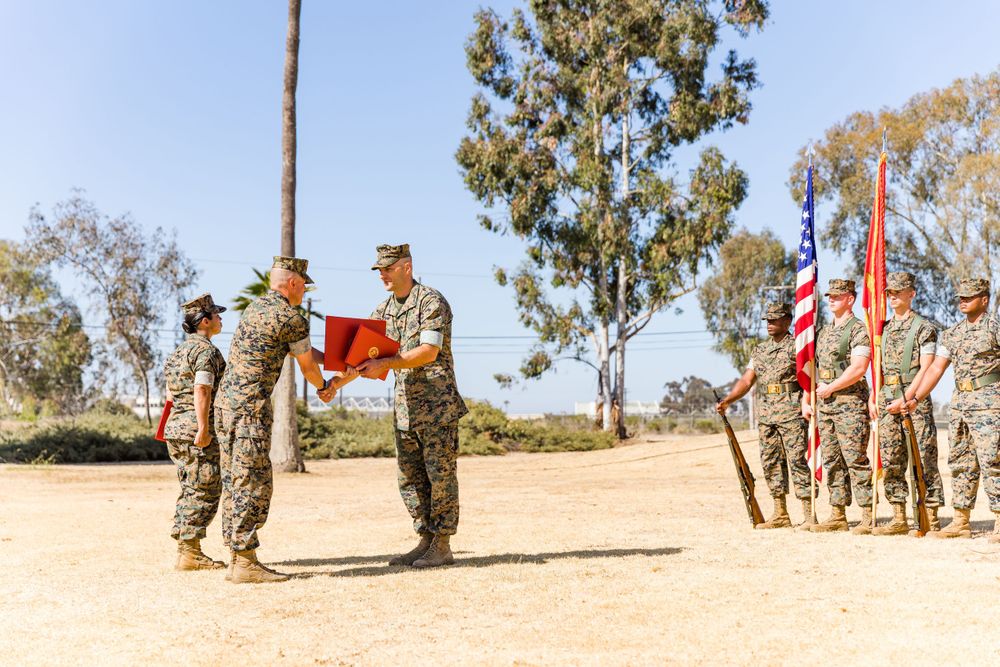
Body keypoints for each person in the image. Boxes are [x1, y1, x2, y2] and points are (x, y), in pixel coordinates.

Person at [215, 256, 354, 583]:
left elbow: (302, 351)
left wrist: (339, 359)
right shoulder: (290, 317)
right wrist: (325, 386)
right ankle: (246, 562)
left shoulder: (255, 308)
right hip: (250, 410)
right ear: (292, 282)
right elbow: (307, 367)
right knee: (254, 481)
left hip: (226, 407)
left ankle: (237, 556)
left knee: (233, 479)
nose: (305, 291)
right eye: (304, 285)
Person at [356, 244, 468, 568]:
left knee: (440, 475)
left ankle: (443, 544)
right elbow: (364, 355)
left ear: (407, 266)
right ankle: (425, 540)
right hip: (405, 408)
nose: (382, 275)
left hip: (437, 405)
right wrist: (337, 382)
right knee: (410, 477)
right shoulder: (382, 310)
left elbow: (429, 351)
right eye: (379, 270)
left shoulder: (431, 301)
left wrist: (386, 364)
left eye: (388, 268)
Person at [909, 277, 1000, 541]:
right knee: (961, 462)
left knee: (993, 461)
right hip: (960, 404)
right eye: (960, 297)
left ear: (984, 299)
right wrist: (915, 398)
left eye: (969, 297)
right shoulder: (953, 333)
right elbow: (936, 368)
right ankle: (961, 521)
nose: (962, 301)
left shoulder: (994, 327)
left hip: (990, 404)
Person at [716, 302, 812, 528]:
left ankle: (809, 514)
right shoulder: (759, 350)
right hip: (767, 414)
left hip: (791, 412)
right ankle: (780, 514)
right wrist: (728, 400)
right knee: (770, 462)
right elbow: (747, 380)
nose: (770, 324)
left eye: (775, 319)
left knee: (797, 460)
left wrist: (808, 403)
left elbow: (810, 378)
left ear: (788, 321)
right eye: (768, 320)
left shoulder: (797, 347)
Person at [867, 272, 944, 535]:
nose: (892, 296)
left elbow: (926, 367)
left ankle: (930, 515)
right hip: (887, 397)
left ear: (911, 294)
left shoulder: (924, 327)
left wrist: (907, 397)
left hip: (913, 400)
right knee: (891, 458)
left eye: (898, 292)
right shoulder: (883, 329)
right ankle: (898, 515)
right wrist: (872, 395)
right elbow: (876, 367)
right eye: (889, 292)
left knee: (923, 457)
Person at [802, 278, 873, 534]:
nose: (831, 299)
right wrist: (807, 398)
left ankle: (867, 513)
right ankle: (838, 512)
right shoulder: (822, 332)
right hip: (826, 404)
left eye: (837, 296)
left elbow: (858, 368)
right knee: (831, 459)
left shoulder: (857, 330)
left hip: (850, 402)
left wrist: (831, 387)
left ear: (850, 299)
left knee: (854, 457)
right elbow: (812, 369)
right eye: (829, 296)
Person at [162, 293, 228, 570]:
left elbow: (169, 394)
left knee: (191, 487)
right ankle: (190, 551)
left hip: (176, 428)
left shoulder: (177, 353)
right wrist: (202, 428)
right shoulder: (206, 352)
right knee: (206, 488)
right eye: (216, 314)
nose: (221, 318)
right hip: (195, 430)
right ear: (204, 321)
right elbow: (202, 388)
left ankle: (186, 548)